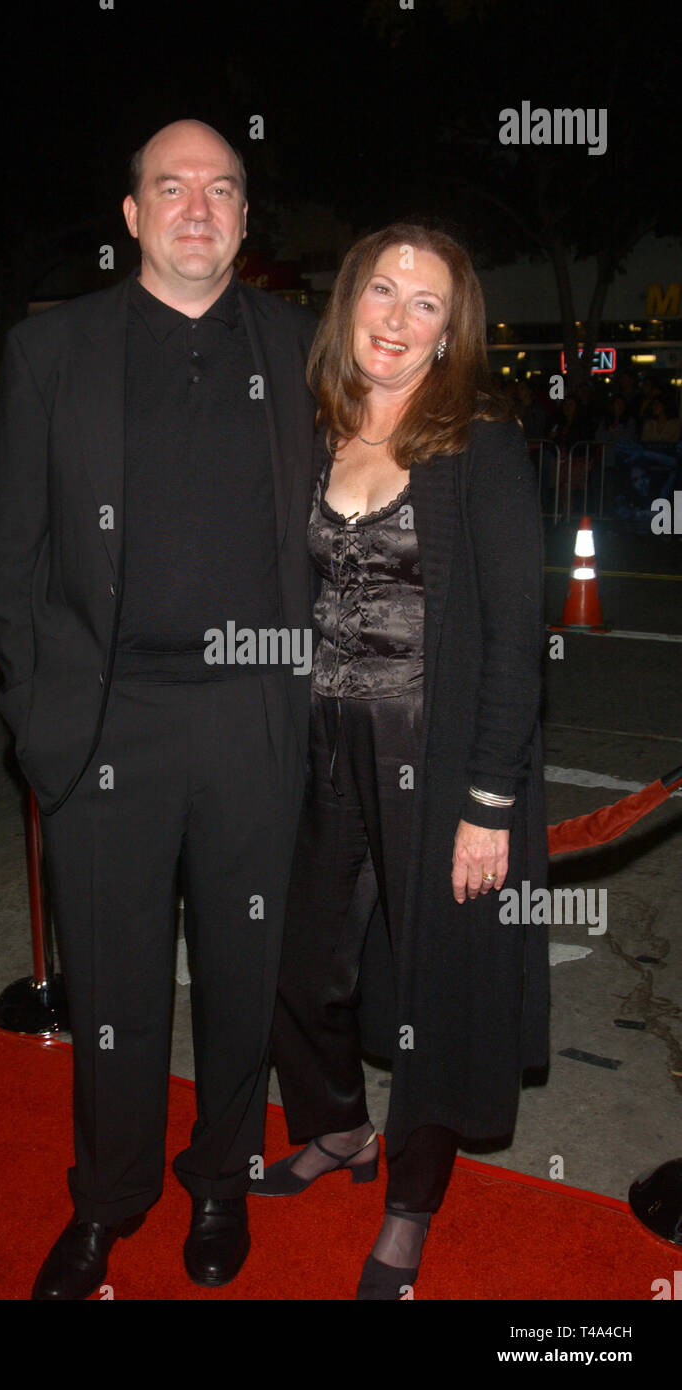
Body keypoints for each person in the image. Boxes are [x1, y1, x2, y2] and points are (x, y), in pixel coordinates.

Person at [0, 119, 321, 1298]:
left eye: (220, 189)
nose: (196, 206)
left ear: (242, 218)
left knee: (242, 976)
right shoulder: (54, 353)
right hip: (105, 726)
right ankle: (109, 1200)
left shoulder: (298, 346)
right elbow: (15, 562)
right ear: (130, 216)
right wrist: (39, 723)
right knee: (115, 990)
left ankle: (220, 1179)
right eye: (169, 187)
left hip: (252, 724)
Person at [249, 223, 549, 1300]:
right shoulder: (311, 427)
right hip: (316, 746)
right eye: (383, 289)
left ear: (450, 330)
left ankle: (411, 1205)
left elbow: (518, 634)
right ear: (349, 302)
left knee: (437, 983)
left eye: (426, 303)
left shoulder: (482, 443)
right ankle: (336, 1127)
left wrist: (488, 801)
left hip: (436, 752)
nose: (397, 317)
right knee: (295, 957)